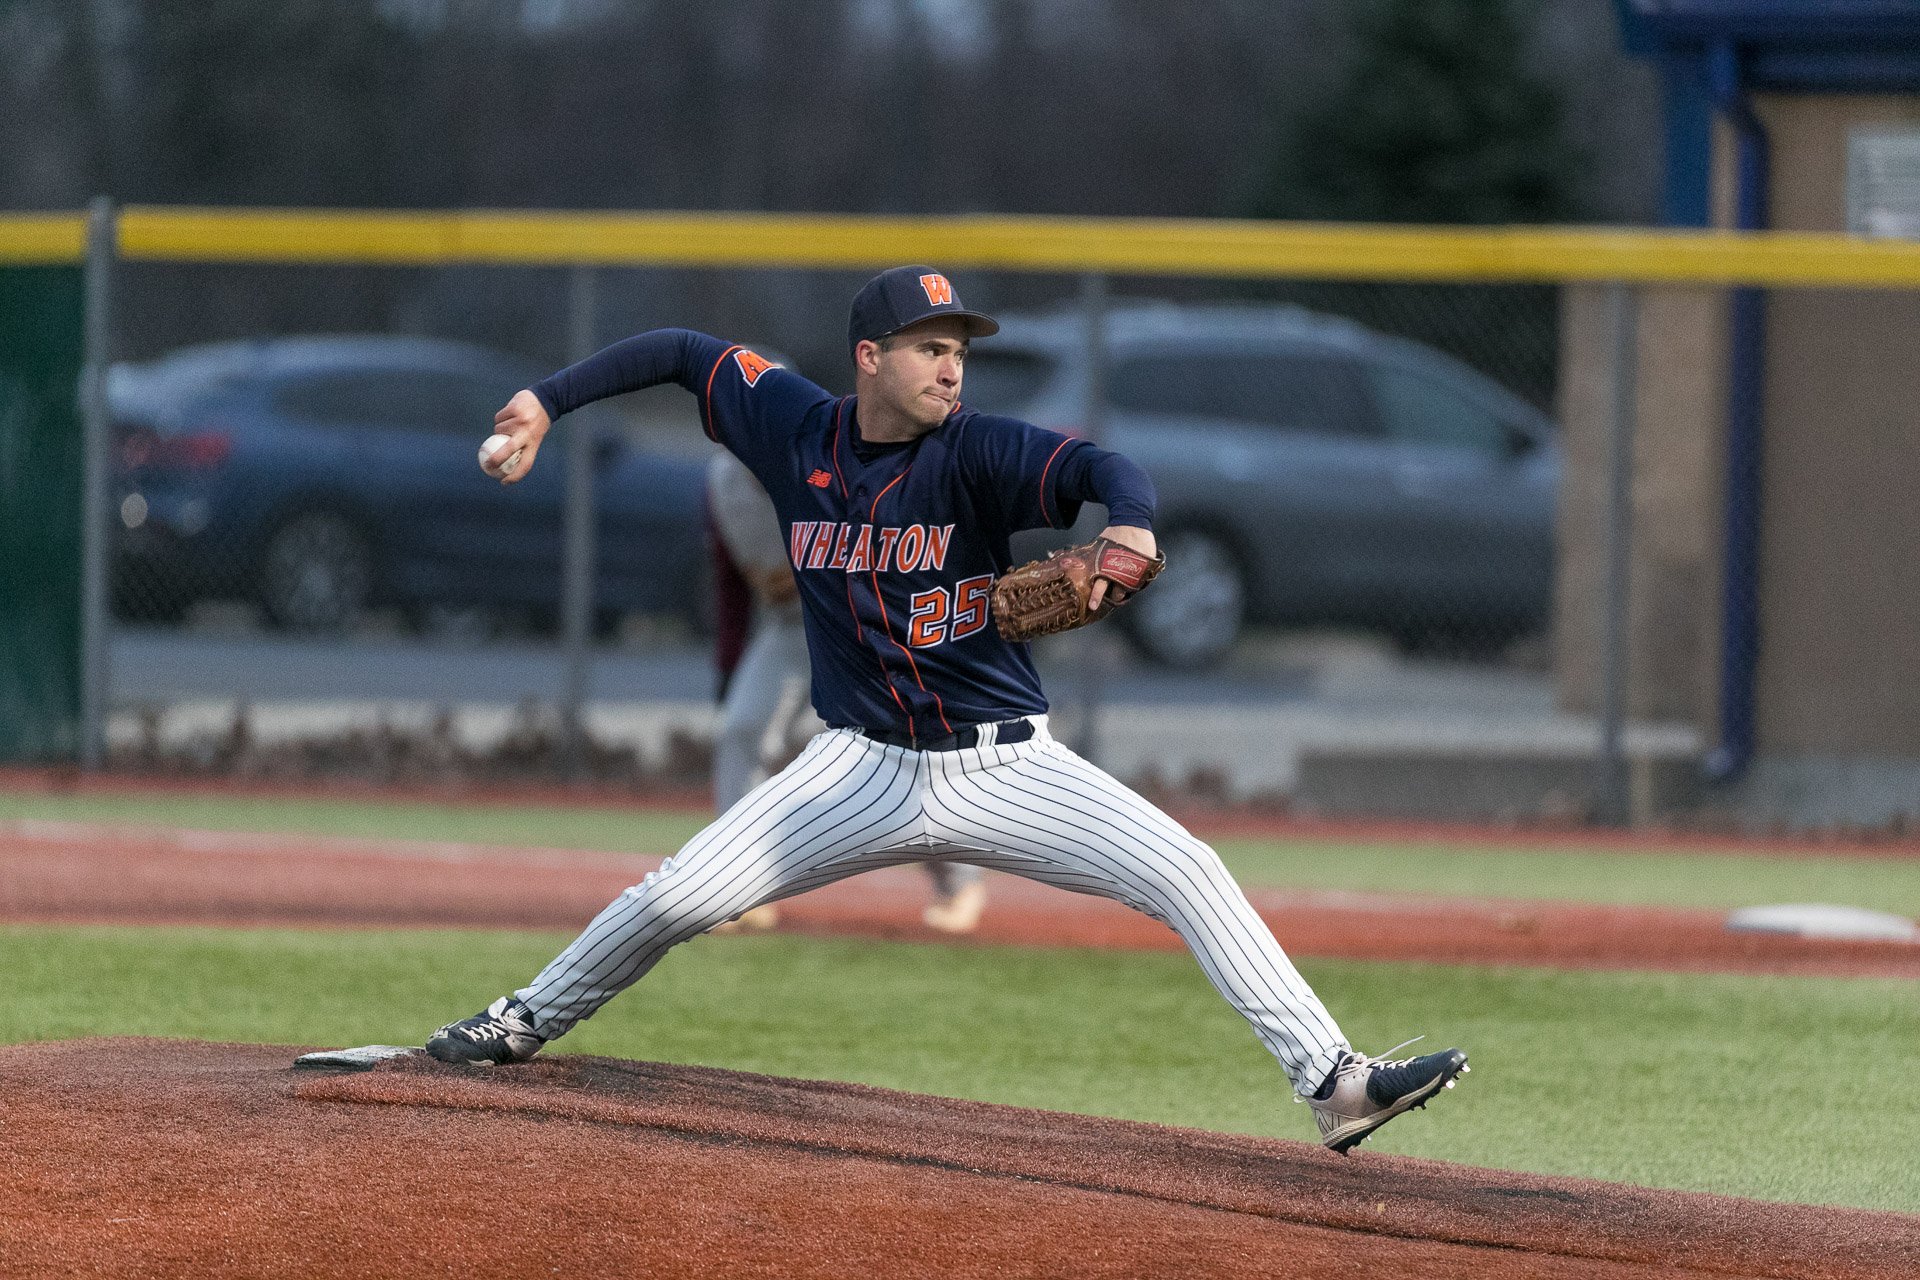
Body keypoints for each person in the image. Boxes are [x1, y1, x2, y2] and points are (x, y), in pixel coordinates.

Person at [432, 266, 1467, 1152]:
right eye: (929, 345)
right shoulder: (792, 425)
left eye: (959, 346)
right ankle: (522, 1018)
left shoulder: (976, 451)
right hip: (857, 768)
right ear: (870, 356)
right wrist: (546, 399)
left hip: (1008, 767)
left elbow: (1107, 467)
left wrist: (1136, 526)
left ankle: (1333, 1082)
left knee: (1187, 866)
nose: (952, 365)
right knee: (674, 898)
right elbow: (676, 349)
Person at [705, 445, 988, 933]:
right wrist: (729, 659)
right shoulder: (725, 479)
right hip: (793, 629)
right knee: (743, 729)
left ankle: (959, 881)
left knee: (913, 752)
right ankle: (737, 885)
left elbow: (895, 555)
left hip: (875, 622)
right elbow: (741, 576)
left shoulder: (834, 466)